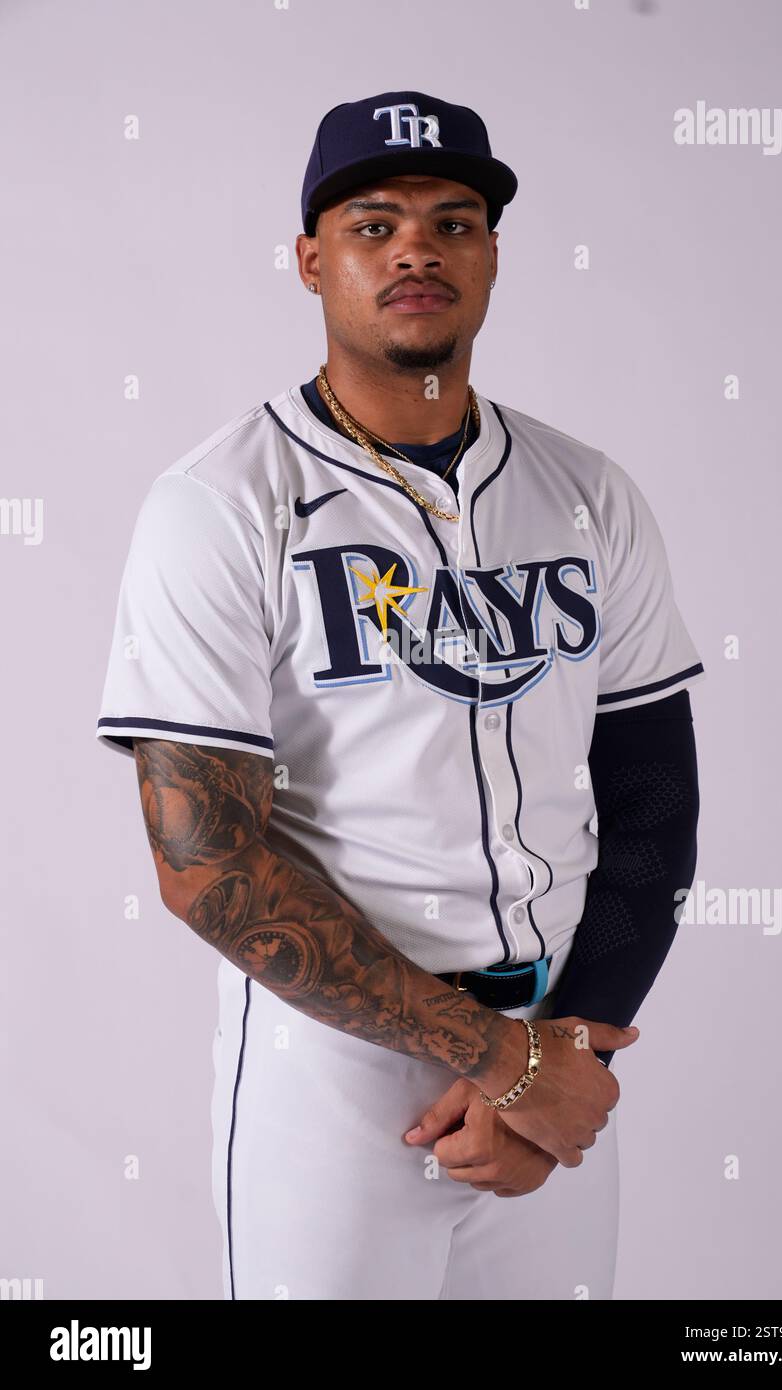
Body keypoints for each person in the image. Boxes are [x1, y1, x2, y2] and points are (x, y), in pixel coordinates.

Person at [96, 90, 705, 1300]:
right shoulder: (220, 504)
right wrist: (504, 1063)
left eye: (453, 220)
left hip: (553, 1046)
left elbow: (652, 803)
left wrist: (565, 1050)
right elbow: (206, 862)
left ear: (489, 256)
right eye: (373, 225)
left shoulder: (585, 492)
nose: (417, 247)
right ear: (312, 260)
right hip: (331, 1073)